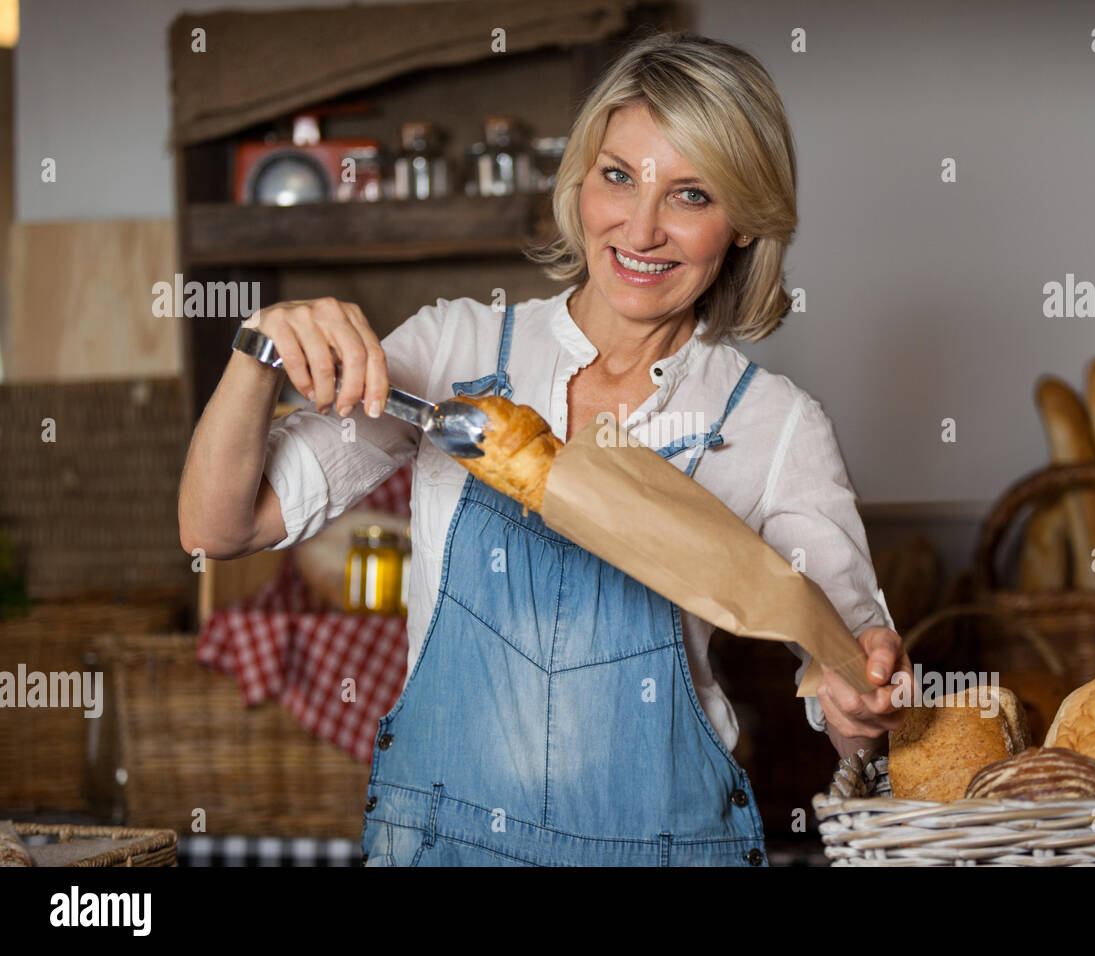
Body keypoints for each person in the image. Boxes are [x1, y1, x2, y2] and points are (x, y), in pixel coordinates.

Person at [178, 31, 911, 867]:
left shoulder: (774, 425)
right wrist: (257, 353)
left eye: (692, 194)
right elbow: (216, 528)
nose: (641, 227)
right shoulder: (451, 352)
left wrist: (864, 693)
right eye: (618, 176)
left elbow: (856, 679)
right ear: (580, 180)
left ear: (743, 222)